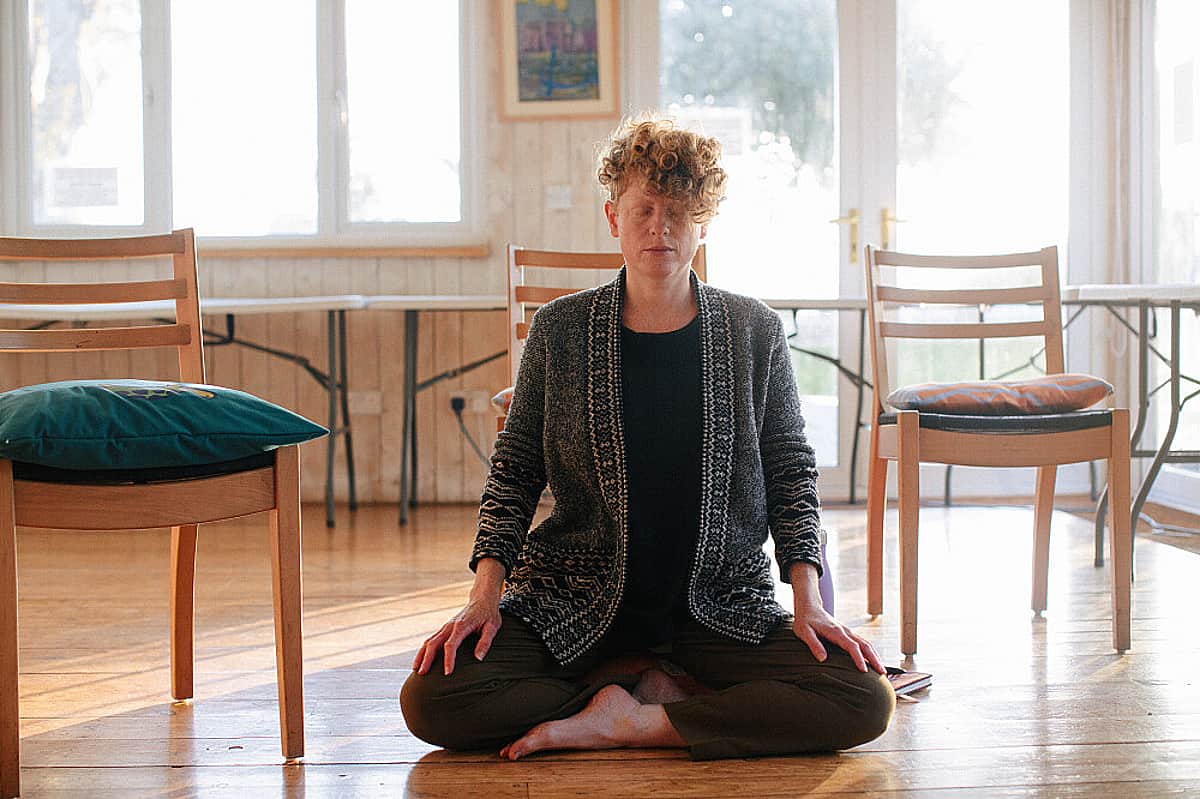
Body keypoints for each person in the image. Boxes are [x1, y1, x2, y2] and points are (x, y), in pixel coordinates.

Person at [400, 115, 895, 761]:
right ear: (613, 217)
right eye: (643, 209)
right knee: (432, 697)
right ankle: (645, 695)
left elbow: (790, 470)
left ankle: (636, 719)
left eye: (678, 211)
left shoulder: (754, 330)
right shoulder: (560, 328)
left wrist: (808, 601)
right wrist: (483, 597)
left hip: (719, 604)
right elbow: (515, 471)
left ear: (704, 221)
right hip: (576, 599)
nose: (659, 227)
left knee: (861, 695)